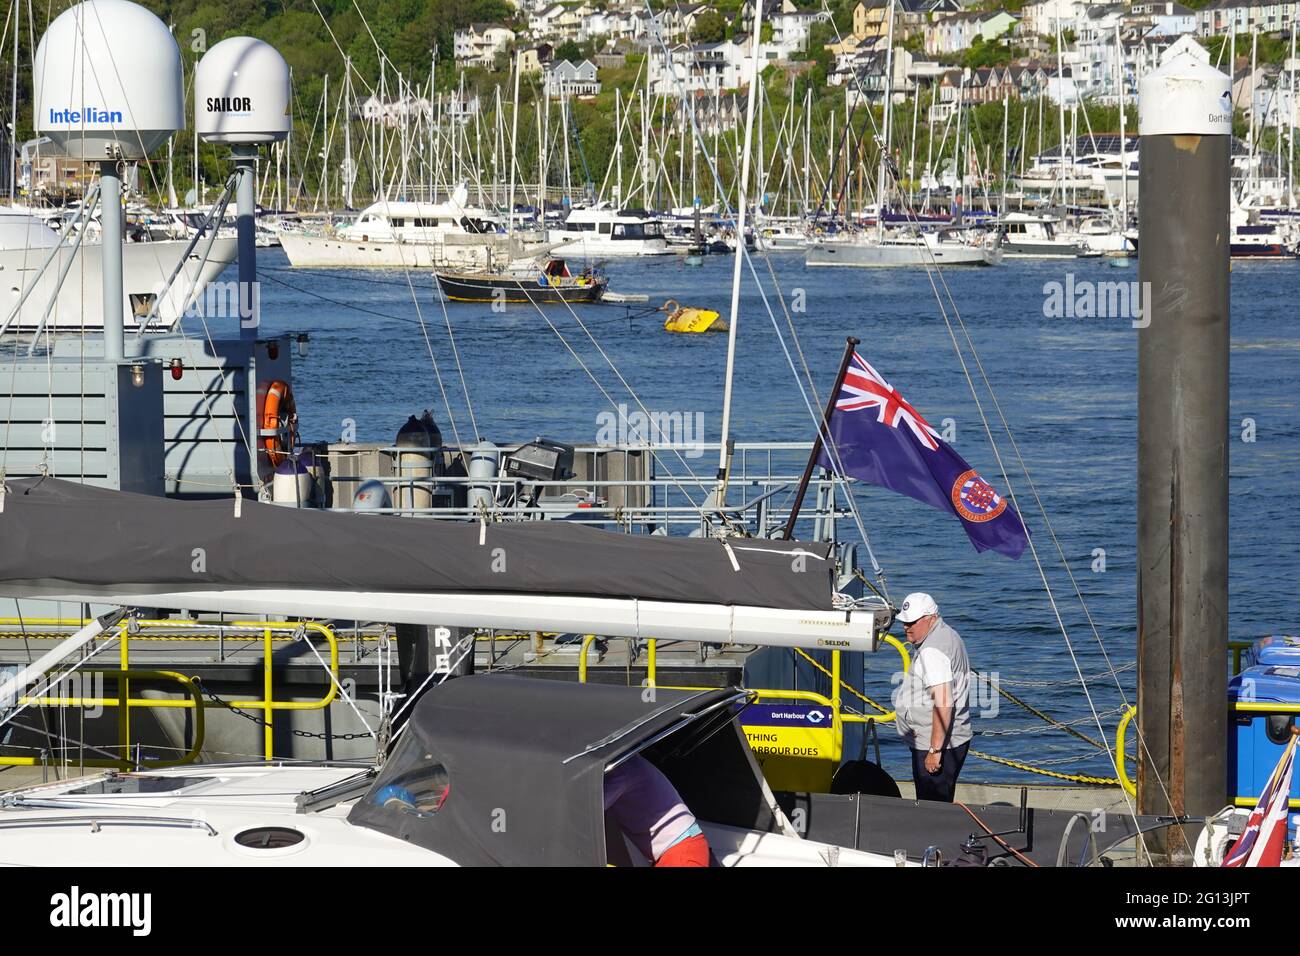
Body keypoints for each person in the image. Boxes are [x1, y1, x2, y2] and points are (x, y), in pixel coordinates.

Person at [890, 592, 972, 803]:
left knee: (931, 809)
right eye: (904, 622)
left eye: (912, 622)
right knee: (939, 805)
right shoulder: (947, 634)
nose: (907, 627)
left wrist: (934, 751)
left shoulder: (932, 651)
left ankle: (937, 837)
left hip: (935, 743)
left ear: (931, 618)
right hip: (950, 739)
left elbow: (943, 703)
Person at [604, 754, 710, 866]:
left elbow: (588, 811)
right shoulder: (629, 763)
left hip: (680, 850)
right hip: (684, 845)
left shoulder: (620, 771)